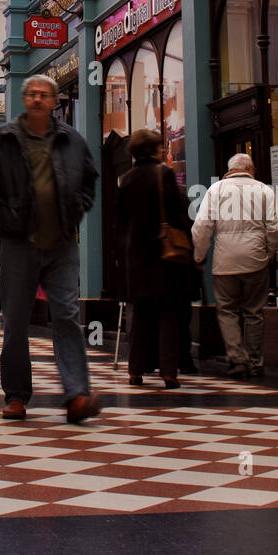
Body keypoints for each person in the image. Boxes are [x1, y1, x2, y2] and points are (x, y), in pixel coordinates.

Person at [0, 74, 100, 423]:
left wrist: (77, 209)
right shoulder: (0, 141)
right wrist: (5, 214)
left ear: (55, 102)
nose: (38, 99)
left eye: (45, 95)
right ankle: (16, 396)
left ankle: (76, 394)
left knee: (67, 315)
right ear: (25, 100)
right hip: (18, 244)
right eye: (32, 94)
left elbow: (88, 179)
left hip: (62, 243)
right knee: (17, 320)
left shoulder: (71, 139)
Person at [192, 153, 278, 380]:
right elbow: (276, 229)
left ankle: (237, 359)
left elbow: (202, 227)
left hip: (225, 262)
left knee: (227, 311)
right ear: (251, 168)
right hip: (255, 260)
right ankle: (254, 362)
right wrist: (268, 253)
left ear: (229, 168)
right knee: (254, 312)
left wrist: (199, 256)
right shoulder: (264, 190)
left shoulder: (216, 190)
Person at [116, 128, 195, 390]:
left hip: (137, 257)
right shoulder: (164, 175)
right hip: (164, 255)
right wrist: (190, 245)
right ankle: (169, 372)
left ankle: (135, 370)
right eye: (160, 147)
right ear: (153, 149)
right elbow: (178, 214)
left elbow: (121, 221)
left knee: (140, 315)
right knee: (168, 314)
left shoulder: (126, 180)